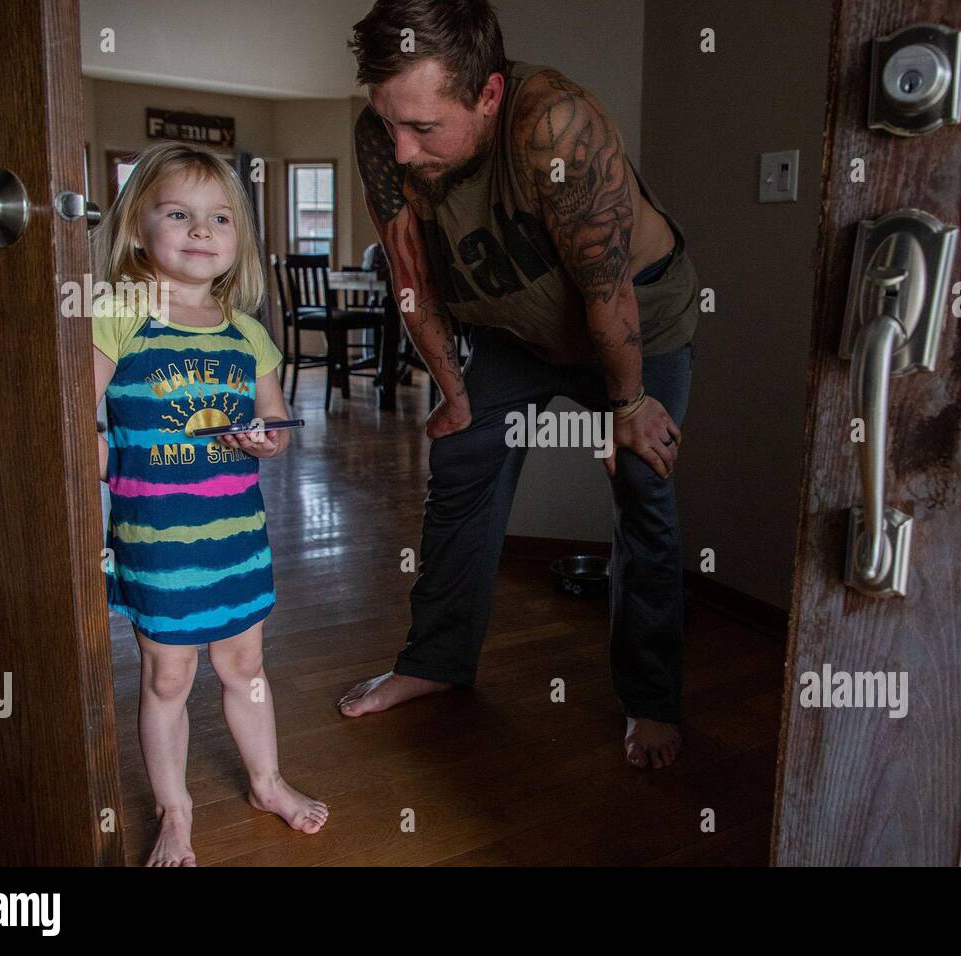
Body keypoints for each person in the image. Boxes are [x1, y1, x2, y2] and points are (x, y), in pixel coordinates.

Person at [337, 0, 701, 770]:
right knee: (463, 456)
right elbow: (411, 275)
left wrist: (627, 405)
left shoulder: (554, 125)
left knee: (644, 482)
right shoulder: (383, 136)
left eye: (424, 128)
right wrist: (452, 389)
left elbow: (608, 290)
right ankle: (434, 661)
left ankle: (651, 700)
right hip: (518, 329)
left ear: (489, 96)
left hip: (632, 317)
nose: (400, 150)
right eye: (389, 122)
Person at [90, 141, 328, 865]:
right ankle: (175, 811)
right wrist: (99, 463)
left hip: (236, 538)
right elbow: (70, 408)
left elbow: (278, 429)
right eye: (179, 214)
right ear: (139, 229)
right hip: (157, 538)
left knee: (245, 667)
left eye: (219, 217)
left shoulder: (247, 333)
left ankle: (267, 781)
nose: (201, 230)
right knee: (169, 675)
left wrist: (265, 442)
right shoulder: (119, 313)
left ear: (238, 238)